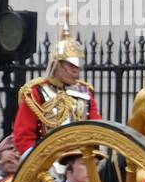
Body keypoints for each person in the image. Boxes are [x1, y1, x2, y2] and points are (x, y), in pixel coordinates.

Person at [13, 19, 101, 155]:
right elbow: (24, 136)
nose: (76, 70)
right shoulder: (36, 92)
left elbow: (97, 129)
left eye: (78, 65)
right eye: (71, 65)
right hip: (46, 161)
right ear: (58, 65)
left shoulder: (85, 92)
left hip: (80, 161)